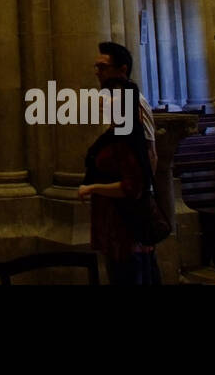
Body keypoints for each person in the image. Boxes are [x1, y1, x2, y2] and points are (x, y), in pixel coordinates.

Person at [78, 75, 163, 285]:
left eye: (108, 98)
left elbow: (132, 186)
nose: (101, 102)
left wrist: (92, 188)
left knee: (130, 276)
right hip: (116, 224)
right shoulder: (116, 132)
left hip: (126, 227)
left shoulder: (127, 136)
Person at [94, 41, 156, 174]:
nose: (97, 72)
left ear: (123, 69)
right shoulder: (107, 99)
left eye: (103, 67)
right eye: (97, 67)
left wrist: (144, 191)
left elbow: (149, 151)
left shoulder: (136, 101)